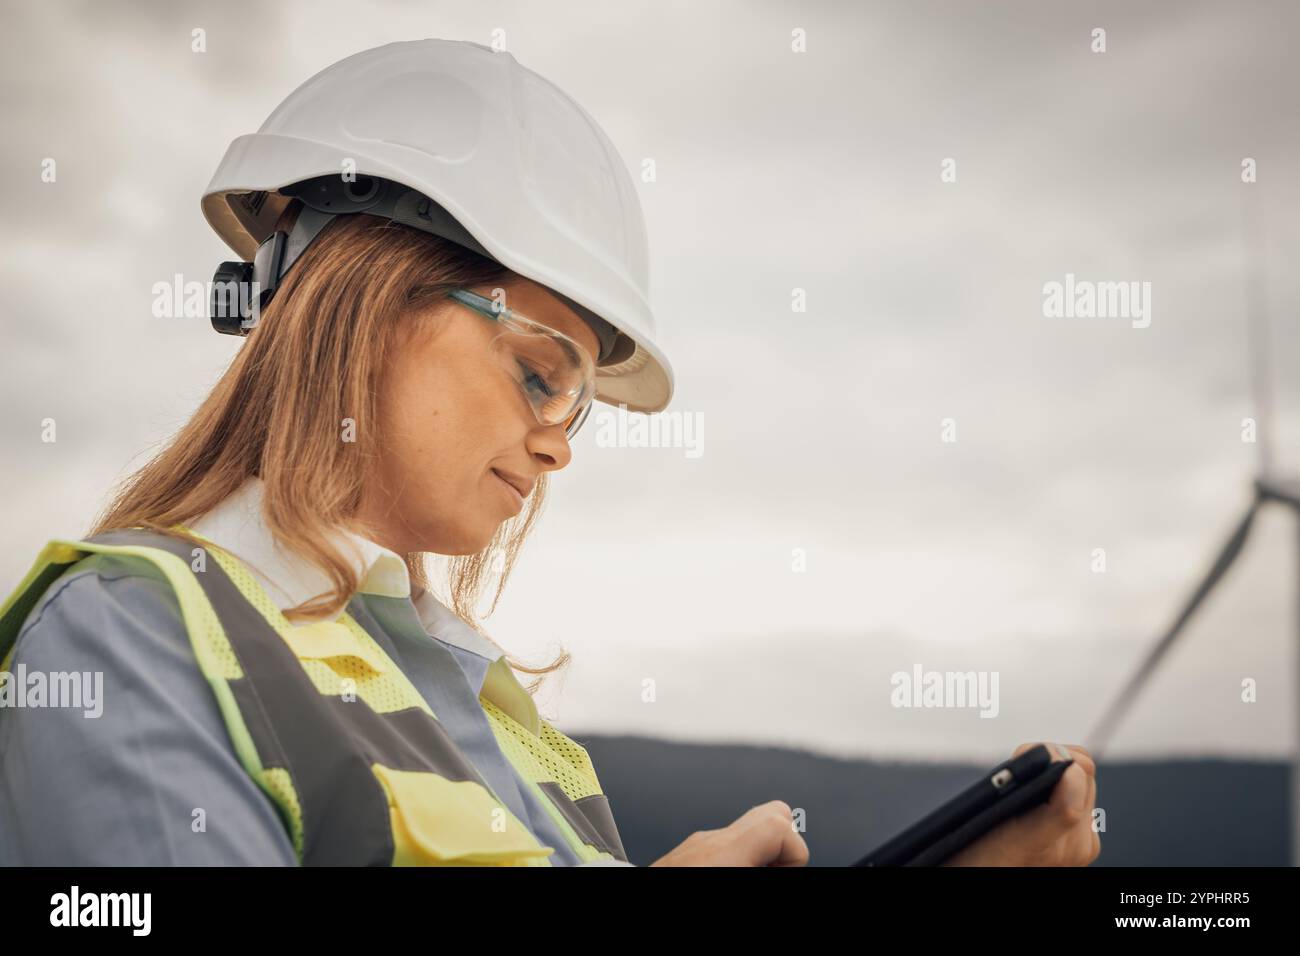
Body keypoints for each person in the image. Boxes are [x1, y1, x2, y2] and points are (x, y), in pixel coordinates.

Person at [0, 38, 1098, 867]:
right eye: (539, 372)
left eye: (575, 405)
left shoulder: (497, 714)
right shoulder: (123, 641)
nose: (556, 449)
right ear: (361, 300)